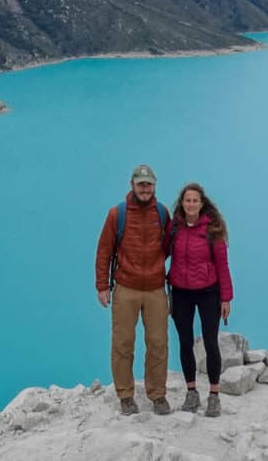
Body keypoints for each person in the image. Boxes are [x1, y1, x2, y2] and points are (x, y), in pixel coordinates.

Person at [95, 163, 172, 416]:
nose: (145, 189)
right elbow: (104, 251)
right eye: (141, 184)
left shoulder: (162, 214)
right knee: (123, 344)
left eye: (148, 184)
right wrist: (102, 286)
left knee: (158, 343)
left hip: (155, 289)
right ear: (132, 185)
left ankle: (158, 394)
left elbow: (172, 247)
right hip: (125, 288)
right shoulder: (117, 214)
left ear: (154, 186)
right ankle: (126, 395)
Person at [166, 181, 232, 418]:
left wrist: (226, 298)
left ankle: (214, 396)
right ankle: (192, 392)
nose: (191, 204)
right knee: (185, 343)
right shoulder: (173, 228)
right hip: (181, 292)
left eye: (195, 200)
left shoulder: (212, 230)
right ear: (182, 204)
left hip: (208, 292)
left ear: (201, 204)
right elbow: (159, 252)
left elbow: (223, 267)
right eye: (187, 200)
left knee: (210, 343)